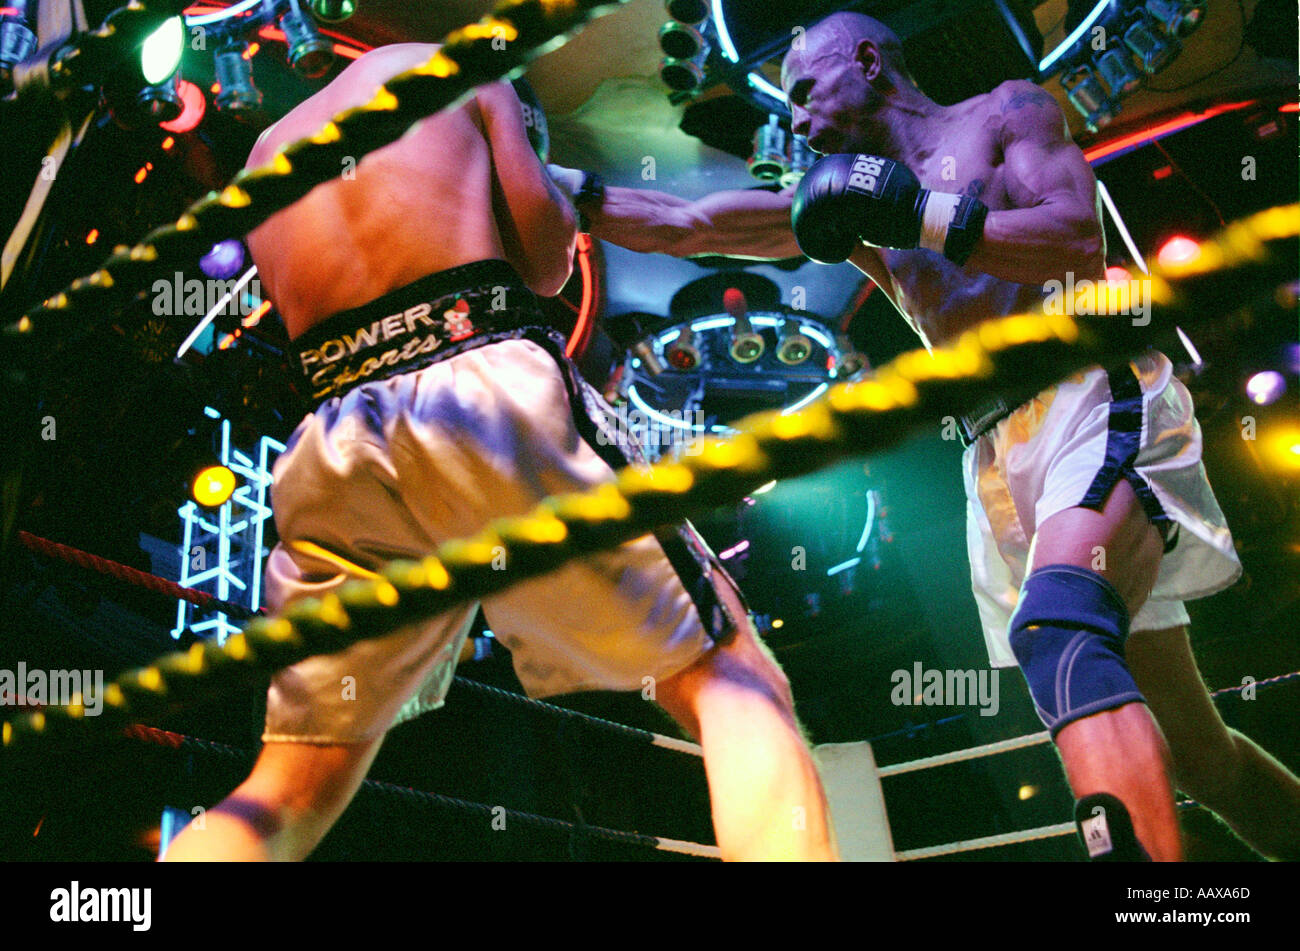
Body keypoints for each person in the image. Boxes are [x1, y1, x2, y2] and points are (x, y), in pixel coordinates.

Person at [550, 11, 1300, 861]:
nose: (792, 117)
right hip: (994, 450)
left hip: (1089, 388)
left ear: (868, 62)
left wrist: (925, 215)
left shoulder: (1006, 113)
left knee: (1058, 632)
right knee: (1202, 758)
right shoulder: (846, 197)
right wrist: (554, 182)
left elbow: (1074, 238)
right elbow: (691, 225)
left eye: (803, 89)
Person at [162, 43, 836, 862]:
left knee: (287, 787)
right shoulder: (460, 68)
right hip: (480, 379)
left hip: (334, 435)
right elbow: (550, 267)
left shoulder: (265, 153)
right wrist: (533, 183)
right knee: (733, 681)